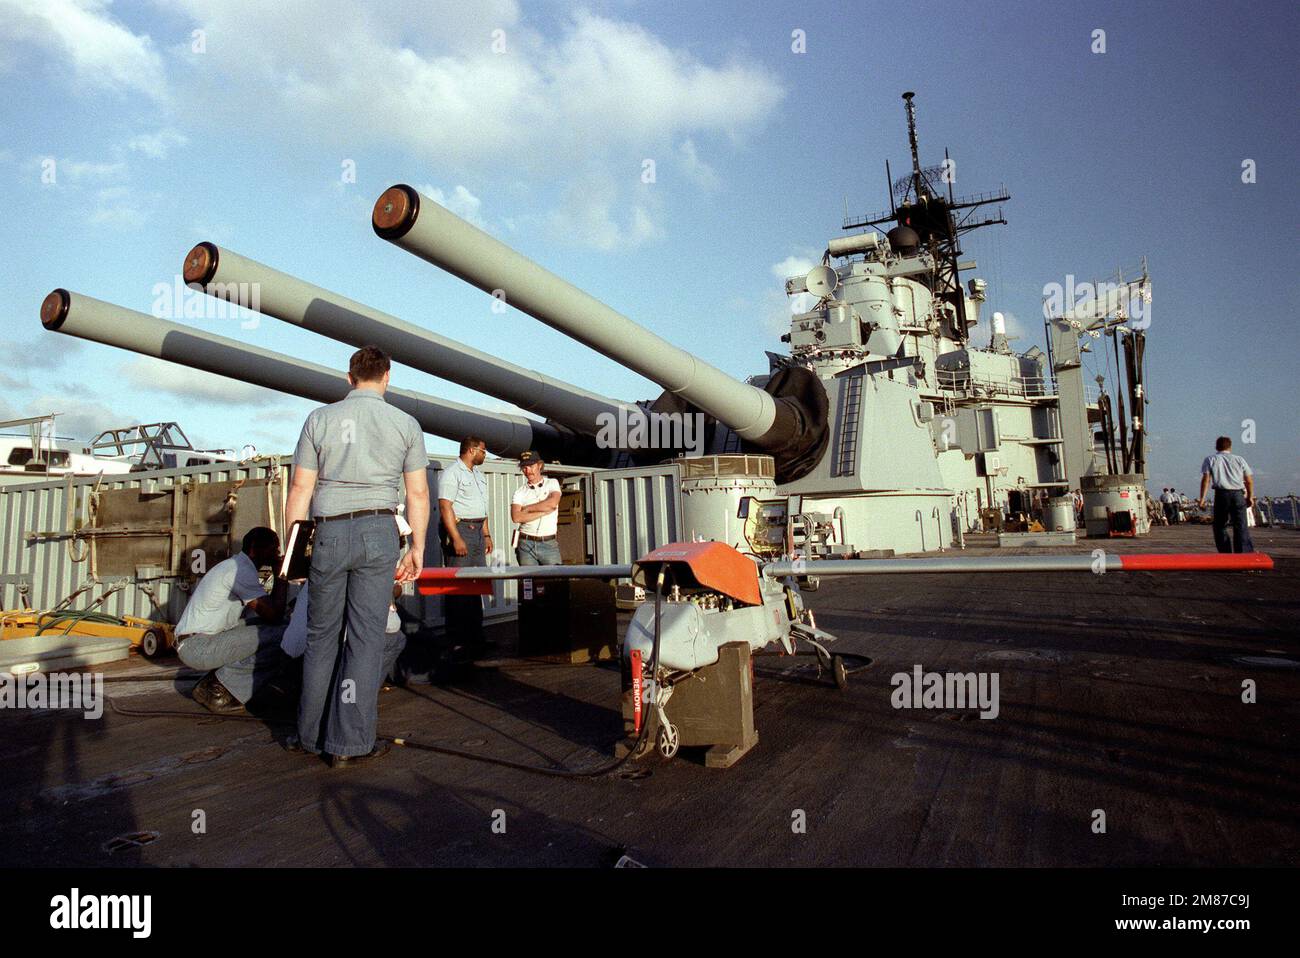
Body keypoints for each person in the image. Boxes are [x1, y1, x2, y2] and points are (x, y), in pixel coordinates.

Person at [284, 345, 430, 768]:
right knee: (366, 640)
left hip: (328, 533)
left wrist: (293, 553)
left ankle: (309, 736)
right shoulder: (405, 424)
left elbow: (299, 490)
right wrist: (417, 546)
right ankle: (348, 743)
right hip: (377, 532)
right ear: (387, 378)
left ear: (349, 379)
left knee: (321, 636)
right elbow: (418, 493)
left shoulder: (319, 419)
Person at [175, 527, 288, 714]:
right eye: (273, 548)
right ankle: (220, 689)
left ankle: (216, 682)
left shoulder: (236, 565)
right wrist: (281, 576)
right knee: (284, 636)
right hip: (197, 647)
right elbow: (273, 613)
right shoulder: (239, 570)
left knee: (279, 628)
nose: (276, 553)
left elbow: (272, 616)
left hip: (201, 640)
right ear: (254, 548)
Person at [438, 436, 492, 650]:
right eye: (483, 451)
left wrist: (486, 534)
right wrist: (457, 537)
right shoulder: (452, 474)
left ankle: (476, 638)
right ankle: (458, 642)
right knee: (458, 587)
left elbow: (483, 507)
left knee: (476, 585)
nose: (485, 455)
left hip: (478, 531)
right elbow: (445, 507)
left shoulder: (478, 475)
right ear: (471, 450)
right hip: (462, 530)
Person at [1197, 436, 1255, 554]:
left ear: (1216, 447)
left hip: (1222, 494)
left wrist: (1202, 499)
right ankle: (1244, 556)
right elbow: (1249, 480)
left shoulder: (1210, 459)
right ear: (1230, 447)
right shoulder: (1239, 459)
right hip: (1238, 494)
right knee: (1241, 526)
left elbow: (1206, 480)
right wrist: (1250, 496)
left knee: (1220, 526)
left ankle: (1226, 554)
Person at [511, 451, 562, 565]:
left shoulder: (552, 483)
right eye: (524, 467)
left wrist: (528, 509)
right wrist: (543, 512)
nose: (528, 471)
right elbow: (516, 517)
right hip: (525, 543)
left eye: (531, 466)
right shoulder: (519, 492)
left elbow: (552, 503)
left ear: (539, 465)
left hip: (548, 543)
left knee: (556, 579)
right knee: (528, 580)